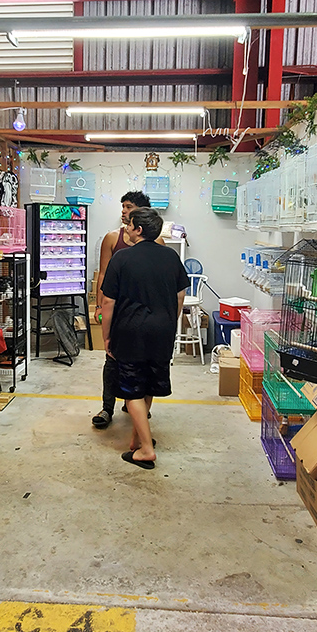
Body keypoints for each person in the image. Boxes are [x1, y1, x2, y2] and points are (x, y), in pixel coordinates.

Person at [100, 207, 189, 470]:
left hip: (130, 330)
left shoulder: (123, 258)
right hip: (162, 330)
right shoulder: (171, 257)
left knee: (130, 389)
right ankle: (138, 439)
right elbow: (180, 296)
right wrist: (169, 322)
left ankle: (146, 450)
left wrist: (106, 337)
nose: (126, 228)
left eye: (129, 225)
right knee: (148, 384)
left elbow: (108, 301)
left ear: (139, 230)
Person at [91, 190, 159, 429]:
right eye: (122, 207)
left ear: (140, 212)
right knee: (112, 361)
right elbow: (102, 274)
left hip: (143, 313)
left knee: (142, 361)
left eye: (128, 207)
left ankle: (134, 403)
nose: (123, 211)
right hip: (117, 309)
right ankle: (106, 407)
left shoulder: (157, 242)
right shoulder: (112, 238)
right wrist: (99, 306)